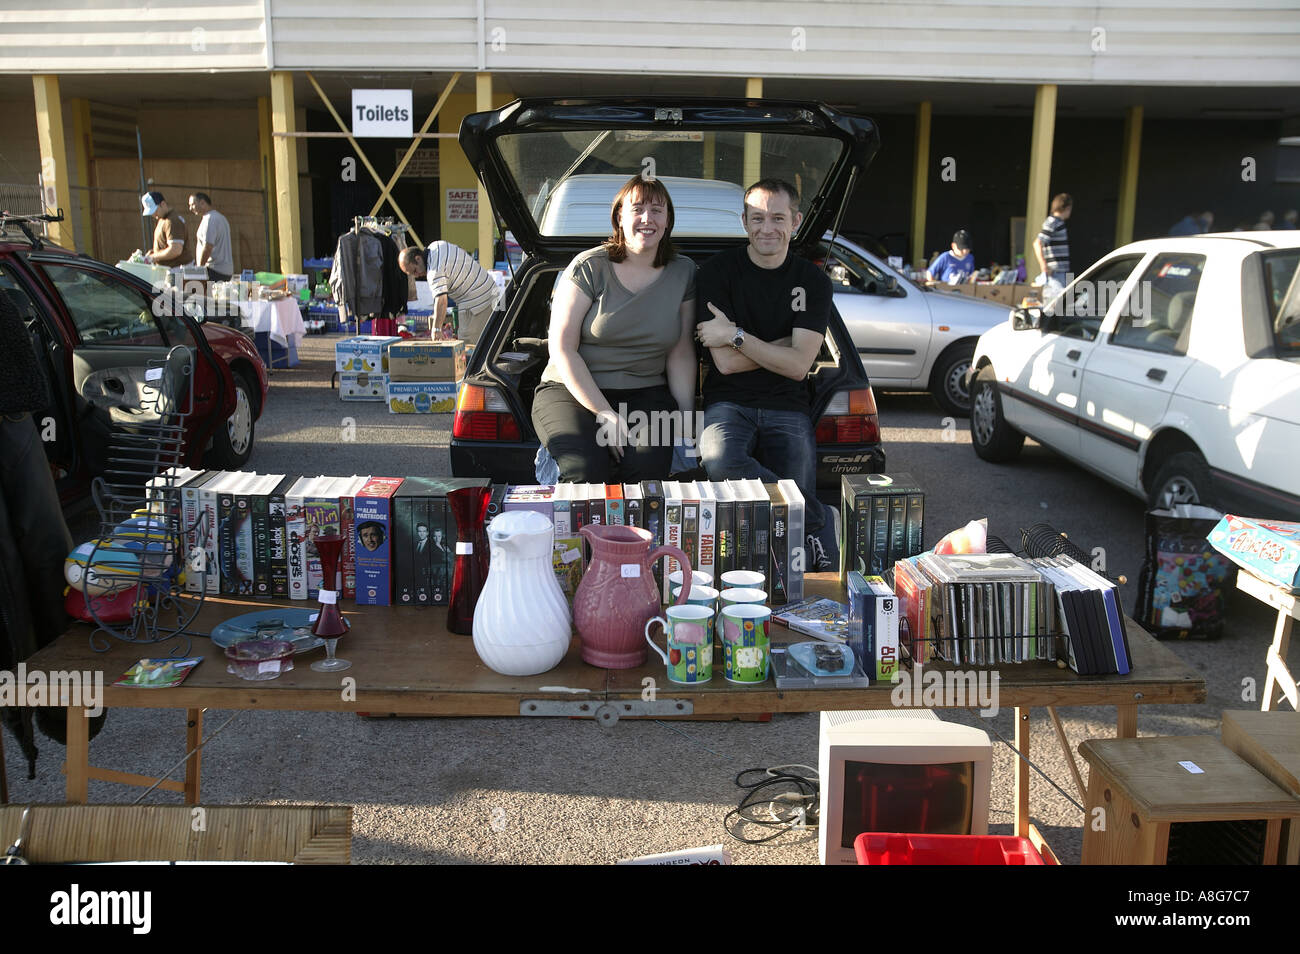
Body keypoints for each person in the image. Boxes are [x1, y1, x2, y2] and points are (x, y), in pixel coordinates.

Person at [694, 178, 838, 571]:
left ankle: (801, 571)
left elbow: (797, 368)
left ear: (796, 221)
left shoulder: (813, 282)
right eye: (757, 218)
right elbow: (725, 364)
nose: (767, 228)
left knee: (790, 512)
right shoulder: (716, 273)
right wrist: (785, 345)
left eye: (778, 217)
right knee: (719, 460)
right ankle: (819, 519)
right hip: (729, 402)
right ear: (744, 221)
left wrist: (735, 334)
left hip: (788, 405)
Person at [531, 174, 697, 483]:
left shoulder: (683, 271)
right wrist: (604, 412)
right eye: (637, 209)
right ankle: (582, 533)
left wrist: (687, 419)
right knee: (586, 471)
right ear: (619, 216)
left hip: (647, 393)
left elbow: (681, 350)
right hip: (572, 391)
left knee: (647, 473)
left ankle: (635, 533)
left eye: (657, 210)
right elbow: (562, 349)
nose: (647, 218)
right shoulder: (589, 266)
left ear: (668, 220)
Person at [398, 242, 499, 344]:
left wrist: (436, 329)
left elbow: (441, 300)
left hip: (478, 299)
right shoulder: (436, 245)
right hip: (491, 290)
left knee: (468, 343)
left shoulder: (434, 271)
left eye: (414, 271)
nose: (416, 276)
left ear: (418, 258)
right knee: (489, 339)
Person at [1032, 193, 1073, 298]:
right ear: (1067, 208)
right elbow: (1037, 243)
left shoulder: (1057, 222)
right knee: (1058, 304)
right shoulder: (1053, 222)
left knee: (1063, 303)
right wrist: (1043, 265)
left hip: (1061, 272)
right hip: (1056, 273)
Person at [188, 192, 234, 281]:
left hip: (214, 270)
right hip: (225, 271)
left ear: (202, 203)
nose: (190, 208)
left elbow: (208, 246)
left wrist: (199, 269)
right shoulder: (221, 218)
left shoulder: (210, 219)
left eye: (193, 204)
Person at [139, 191, 192, 267]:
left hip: (178, 271)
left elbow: (175, 250)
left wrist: (152, 257)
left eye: (155, 210)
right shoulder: (163, 219)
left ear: (163, 204)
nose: (153, 214)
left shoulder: (172, 221)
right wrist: (154, 253)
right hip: (172, 270)